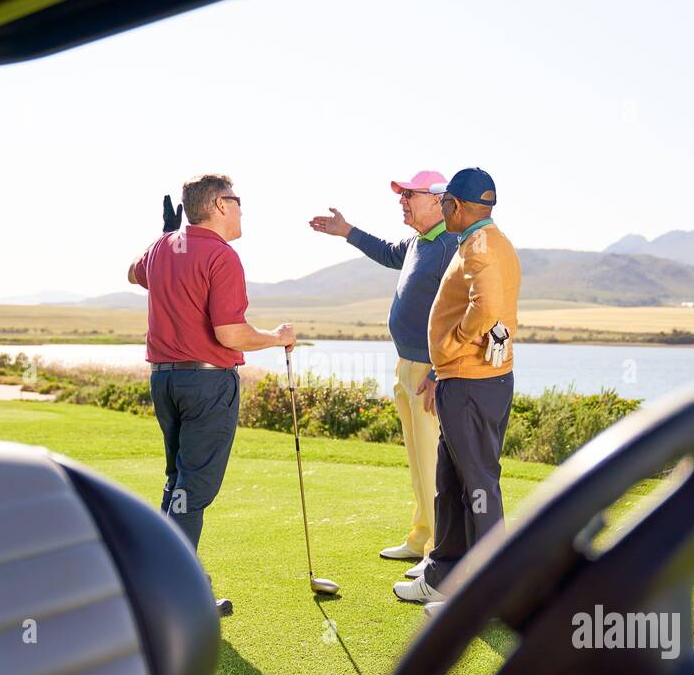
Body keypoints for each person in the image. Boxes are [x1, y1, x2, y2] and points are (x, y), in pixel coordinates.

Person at [128, 173, 296, 615]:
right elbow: (230, 333)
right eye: (238, 201)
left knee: (178, 482)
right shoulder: (222, 256)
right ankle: (178, 599)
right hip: (206, 383)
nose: (242, 209)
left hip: (165, 381)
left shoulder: (166, 246)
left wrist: (164, 234)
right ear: (220, 205)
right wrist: (277, 337)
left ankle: (170, 582)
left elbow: (134, 272)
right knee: (193, 488)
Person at [308, 171, 458, 578]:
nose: (402, 201)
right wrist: (347, 231)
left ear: (436, 199)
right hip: (407, 364)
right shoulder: (417, 243)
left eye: (410, 195)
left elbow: (460, 314)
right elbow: (388, 251)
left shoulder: (450, 244)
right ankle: (420, 536)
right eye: (402, 195)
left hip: (431, 370)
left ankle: (437, 550)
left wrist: (441, 374)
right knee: (416, 456)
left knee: (433, 461)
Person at [391, 167, 520, 616]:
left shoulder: (482, 247)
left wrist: (449, 345)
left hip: (471, 382)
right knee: (450, 481)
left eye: (445, 203)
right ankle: (442, 575)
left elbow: (485, 310)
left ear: (457, 207)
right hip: (462, 381)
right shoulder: (484, 241)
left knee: (477, 486)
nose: (443, 209)